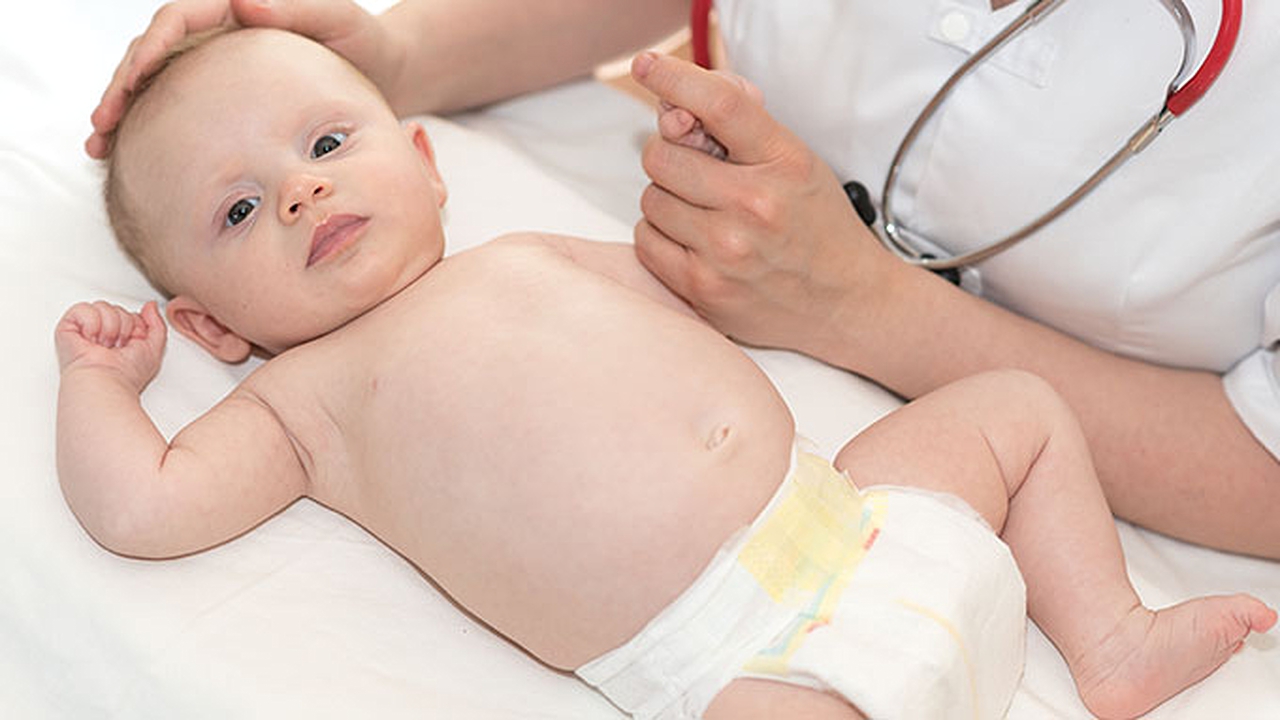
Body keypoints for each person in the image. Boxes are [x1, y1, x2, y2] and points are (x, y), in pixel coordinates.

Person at [59, 26, 1274, 720]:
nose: (301, 189)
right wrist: (101, 389)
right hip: (743, 663)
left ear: (426, 165)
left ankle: (1107, 639)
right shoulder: (298, 405)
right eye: (237, 211)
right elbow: (146, 509)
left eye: (327, 141)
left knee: (1014, 409)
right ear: (209, 326)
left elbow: (702, 283)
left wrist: (699, 176)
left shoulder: (533, 254)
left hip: (858, 518)